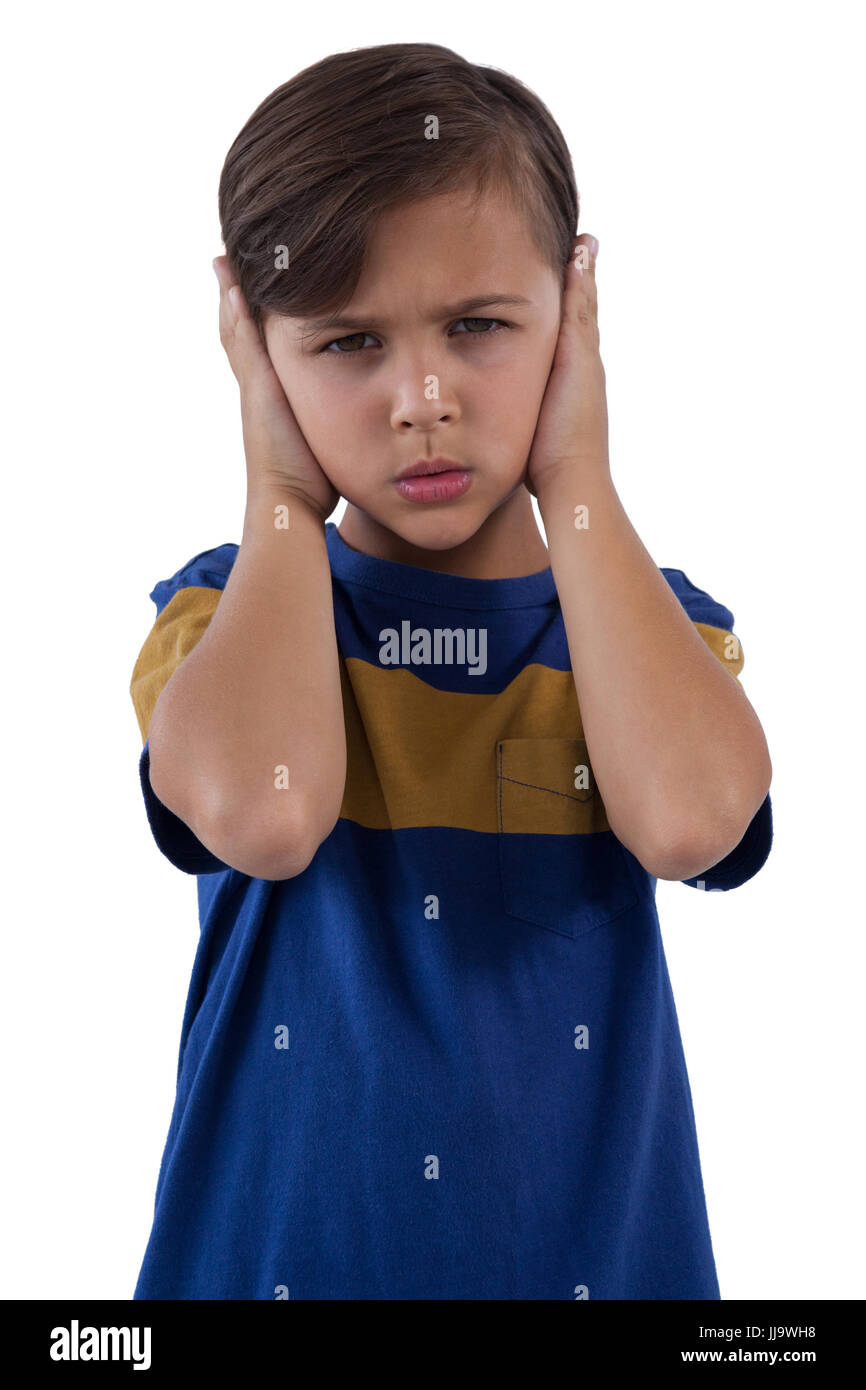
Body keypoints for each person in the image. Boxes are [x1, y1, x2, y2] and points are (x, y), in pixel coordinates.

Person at [129, 42, 773, 1300]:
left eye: (477, 327)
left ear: (570, 314)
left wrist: (575, 475)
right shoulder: (219, 611)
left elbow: (694, 821)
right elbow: (263, 813)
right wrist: (275, 493)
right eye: (347, 342)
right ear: (256, 352)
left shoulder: (649, 626)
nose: (421, 398)